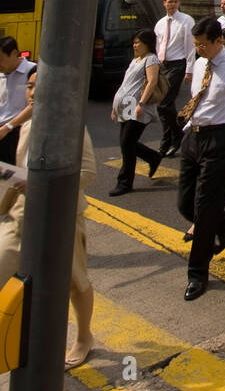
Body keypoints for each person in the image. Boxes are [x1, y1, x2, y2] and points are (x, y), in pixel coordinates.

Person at [0, 66, 97, 368]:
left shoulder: (70, 125)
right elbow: (20, 170)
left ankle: (84, 338)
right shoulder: (27, 124)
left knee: (75, 281)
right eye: (28, 87)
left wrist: (41, 186)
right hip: (22, 215)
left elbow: (88, 173)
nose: (30, 93)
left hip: (61, 216)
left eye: (36, 87)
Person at [177, 17, 225, 299]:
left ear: (218, 41)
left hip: (221, 139)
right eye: (195, 45)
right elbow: (198, 99)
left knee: (205, 208)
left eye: (203, 45)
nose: (199, 50)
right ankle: (224, 221)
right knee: (185, 201)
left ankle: (197, 274)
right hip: (194, 136)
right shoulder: (199, 64)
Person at [109, 29, 162, 196]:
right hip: (126, 105)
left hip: (138, 106)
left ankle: (125, 183)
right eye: (134, 42)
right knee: (127, 143)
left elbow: (152, 82)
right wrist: (115, 107)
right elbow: (126, 83)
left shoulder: (151, 59)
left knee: (127, 143)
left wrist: (141, 103)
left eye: (139, 42)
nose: (135, 45)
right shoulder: (135, 60)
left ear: (148, 44)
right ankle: (153, 157)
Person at [153, 0, 195, 158]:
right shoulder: (160, 24)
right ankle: (173, 137)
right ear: (164, 3)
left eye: (175, 1)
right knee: (165, 107)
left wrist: (189, 70)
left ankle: (173, 137)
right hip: (163, 65)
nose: (172, 4)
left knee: (163, 104)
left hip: (178, 64)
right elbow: (158, 47)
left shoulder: (186, 21)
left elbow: (190, 48)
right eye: (170, 1)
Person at [0, 37, 33, 166]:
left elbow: (35, 105)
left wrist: (8, 127)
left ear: (14, 54)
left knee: (15, 179)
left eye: (0, 59)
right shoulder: (1, 73)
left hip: (18, 134)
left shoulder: (32, 72)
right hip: (2, 132)